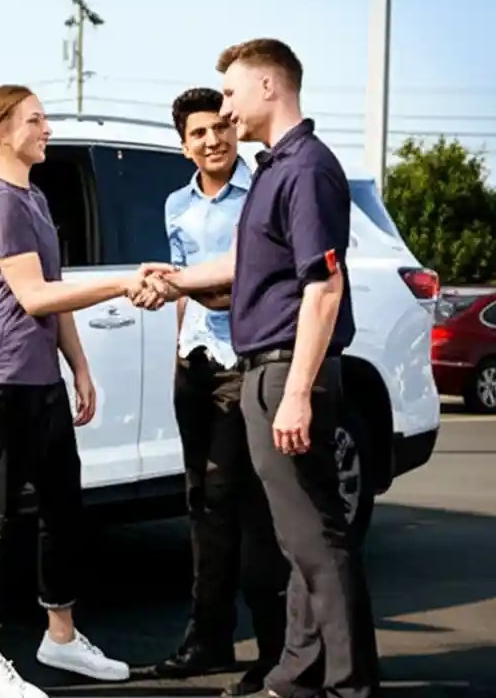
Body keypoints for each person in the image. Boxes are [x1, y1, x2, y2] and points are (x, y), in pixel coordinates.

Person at [142, 39, 379, 698]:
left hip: (285, 370)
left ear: (269, 86)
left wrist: (299, 391)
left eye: (231, 93)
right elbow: (246, 266)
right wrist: (175, 279)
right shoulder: (275, 170)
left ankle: (349, 685)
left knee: (317, 539)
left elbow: (323, 286)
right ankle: (297, 676)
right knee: (297, 540)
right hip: (265, 370)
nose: (225, 108)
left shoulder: (306, 170)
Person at [0, 83, 149, 698]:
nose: (47, 129)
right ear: (3, 131)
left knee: (63, 510)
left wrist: (79, 369)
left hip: (41, 380)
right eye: (36, 120)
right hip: (0, 381)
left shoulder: (32, 197)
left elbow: (52, 298)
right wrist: (119, 286)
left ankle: (60, 637)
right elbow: (33, 297)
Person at [145, 87, 289, 697]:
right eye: (199, 133)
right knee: (201, 502)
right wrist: (180, 354)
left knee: (245, 505)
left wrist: (180, 287)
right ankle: (208, 638)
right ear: (185, 145)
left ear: (234, 131)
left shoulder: (258, 196)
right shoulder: (177, 204)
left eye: (221, 128)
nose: (213, 140)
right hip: (196, 364)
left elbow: (238, 287)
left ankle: (277, 651)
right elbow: (188, 296)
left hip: (246, 364)